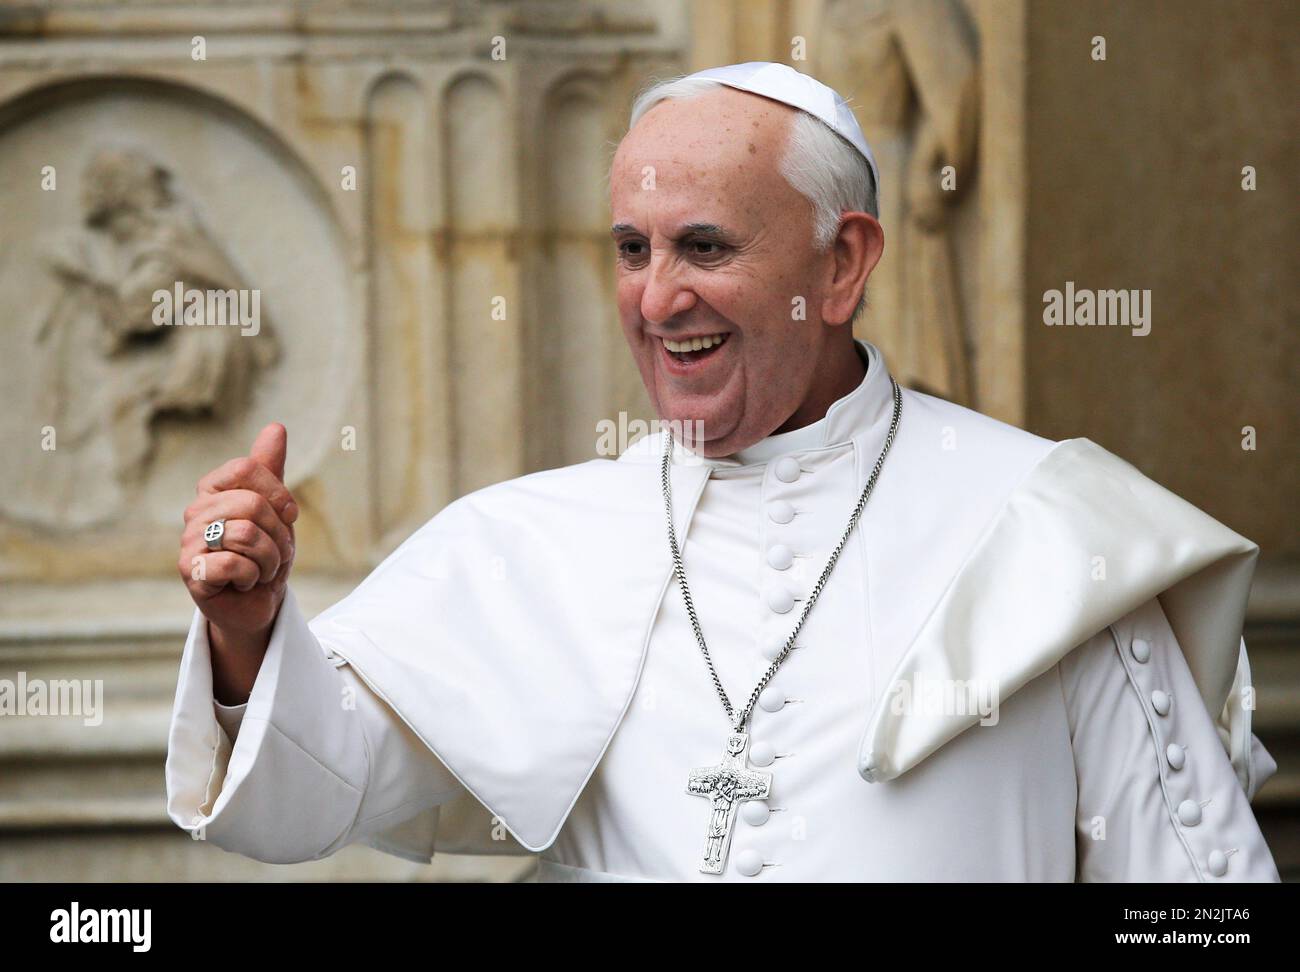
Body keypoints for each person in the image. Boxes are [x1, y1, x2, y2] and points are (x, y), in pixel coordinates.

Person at [167, 62, 1279, 881]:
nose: (656, 301)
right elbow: (306, 799)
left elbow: (1195, 893)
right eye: (630, 250)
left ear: (840, 264)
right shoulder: (536, 540)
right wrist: (250, 634)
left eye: (703, 247)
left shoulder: (1046, 534)